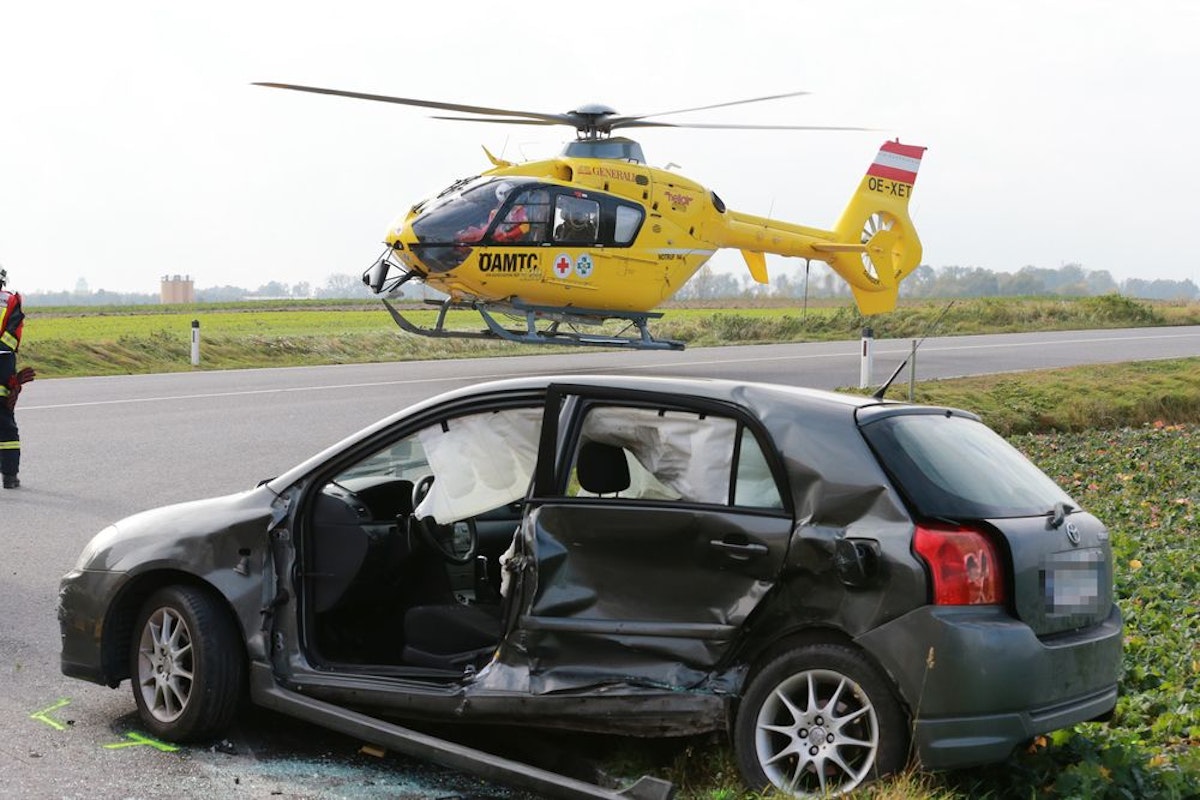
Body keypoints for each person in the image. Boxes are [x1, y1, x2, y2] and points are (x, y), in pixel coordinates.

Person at [0, 268, 33, 489]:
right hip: (1, 364)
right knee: (6, 426)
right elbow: (12, 337)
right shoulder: (9, 300)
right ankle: (10, 477)